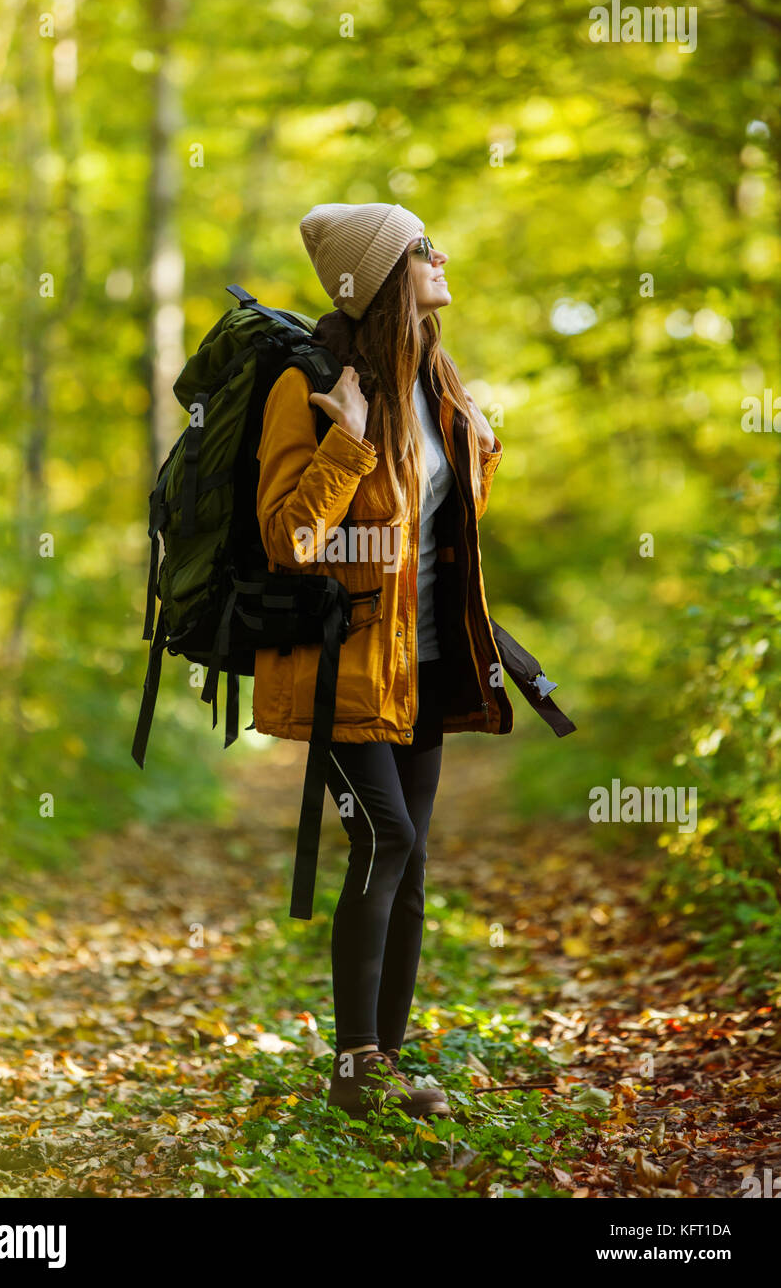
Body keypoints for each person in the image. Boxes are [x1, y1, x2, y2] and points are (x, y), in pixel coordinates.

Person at [253, 202, 512, 1117]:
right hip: (340, 675)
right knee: (385, 837)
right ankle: (355, 1061)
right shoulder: (312, 386)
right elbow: (290, 540)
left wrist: (481, 446)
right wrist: (348, 438)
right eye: (420, 247)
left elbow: (437, 531)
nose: (440, 255)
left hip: (427, 665)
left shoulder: (437, 379)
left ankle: (386, 1067)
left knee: (414, 860)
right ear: (385, 275)